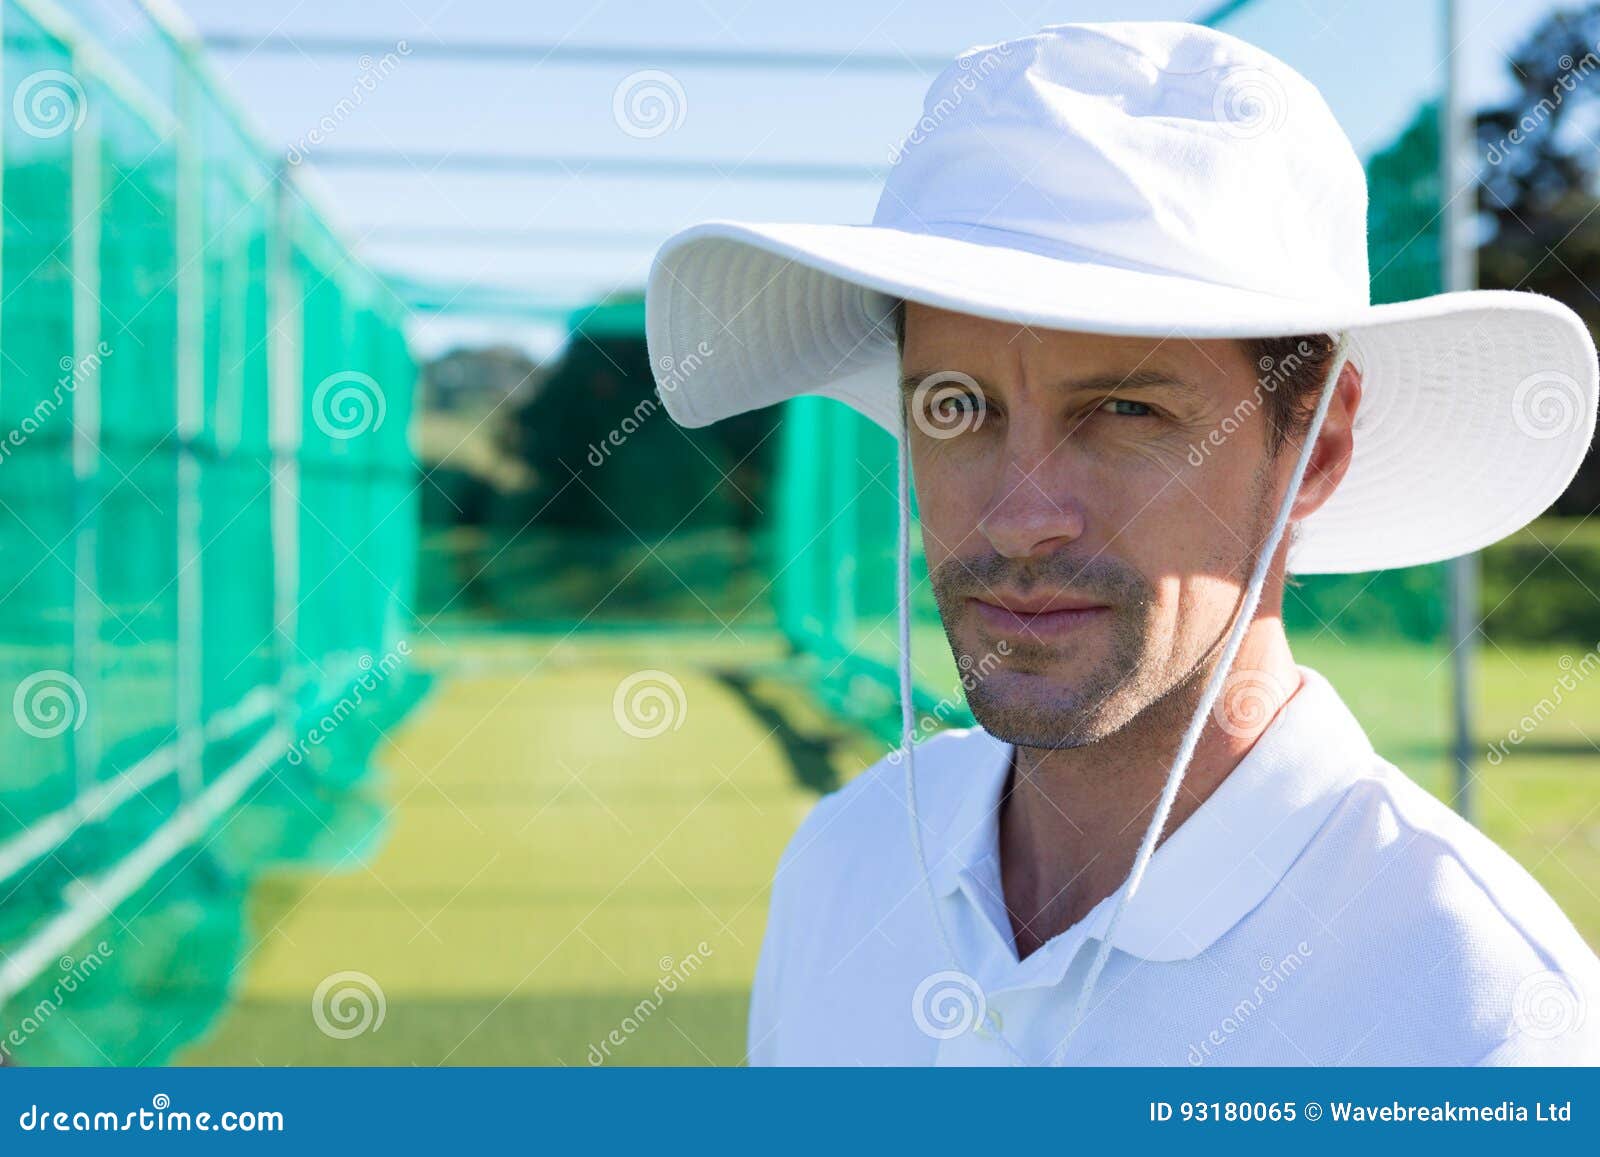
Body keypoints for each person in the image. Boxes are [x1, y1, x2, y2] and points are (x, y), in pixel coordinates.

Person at [644, 21, 1600, 1065]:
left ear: (1315, 444)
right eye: (956, 407)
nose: (1019, 514)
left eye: (1125, 409)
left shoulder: (1480, 1020)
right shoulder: (843, 864)